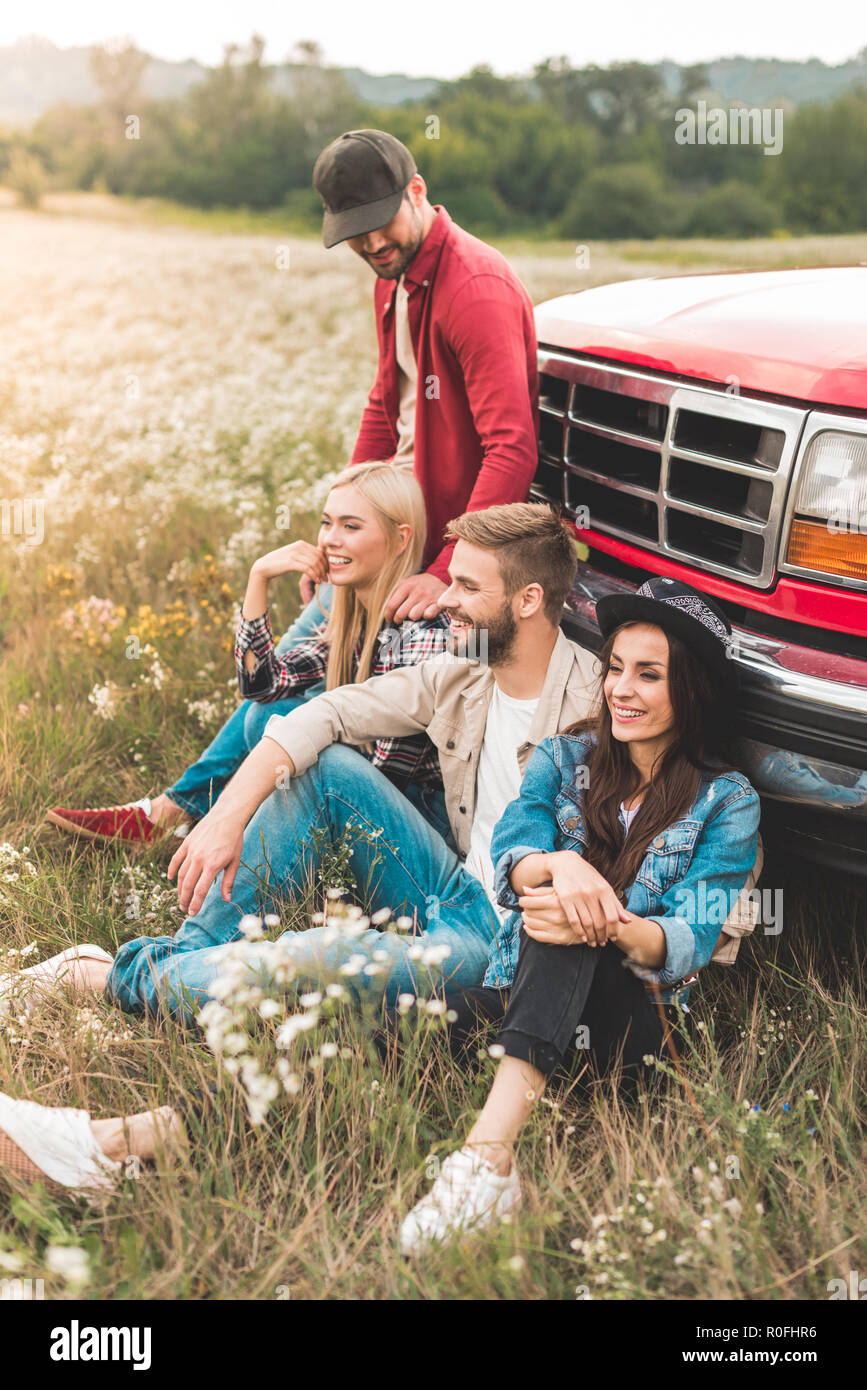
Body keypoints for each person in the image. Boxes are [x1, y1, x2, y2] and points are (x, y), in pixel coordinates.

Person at [22, 504, 601, 1023]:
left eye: (467, 587)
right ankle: (183, 958)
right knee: (323, 767)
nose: (444, 600)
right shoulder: (466, 667)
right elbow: (327, 713)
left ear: (528, 600)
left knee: (321, 957)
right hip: (449, 883)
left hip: (498, 939)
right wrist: (225, 816)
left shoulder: (599, 705)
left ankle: (106, 979)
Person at [396, 578, 762, 1254]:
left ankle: (486, 1161)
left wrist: (600, 916)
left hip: (635, 1032)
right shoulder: (564, 758)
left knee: (568, 921)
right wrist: (563, 868)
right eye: (614, 668)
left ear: (690, 692)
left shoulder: (726, 801)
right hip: (528, 992)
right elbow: (516, 849)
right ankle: (179, 1123)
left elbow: (687, 937)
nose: (621, 689)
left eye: (647, 675)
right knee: (400, 1026)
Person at [46, 462, 450, 845]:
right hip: (366, 796)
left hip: (417, 819)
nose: (330, 539)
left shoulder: (416, 633)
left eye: (351, 526)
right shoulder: (354, 623)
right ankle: (205, 825)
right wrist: (258, 577)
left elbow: (383, 776)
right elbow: (262, 685)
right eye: (327, 523)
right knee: (266, 718)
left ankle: (209, 827)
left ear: (401, 538)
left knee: (287, 739)